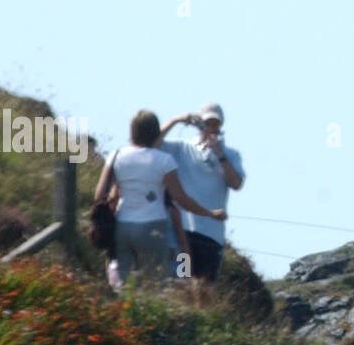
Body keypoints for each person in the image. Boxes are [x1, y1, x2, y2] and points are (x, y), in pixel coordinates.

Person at [92, 110, 226, 286]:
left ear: (132, 131)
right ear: (155, 133)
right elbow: (183, 204)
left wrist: (115, 198)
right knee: (156, 287)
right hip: (154, 232)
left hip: (123, 229)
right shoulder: (165, 167)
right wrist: (210, 213)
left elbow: (99, 195)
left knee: (122, 287)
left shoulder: (116, 156)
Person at [160, 103, 245, 282]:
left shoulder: (231, 154)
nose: (211, 128)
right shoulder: (182, 148)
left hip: (210, 237)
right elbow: (151, 142)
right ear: (199, 125)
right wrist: (175, 120)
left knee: (205, 288)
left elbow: (236, 183)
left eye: (215, 124)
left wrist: (220, 154)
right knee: (182, 282)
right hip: (182, 234)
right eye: (207, 123)